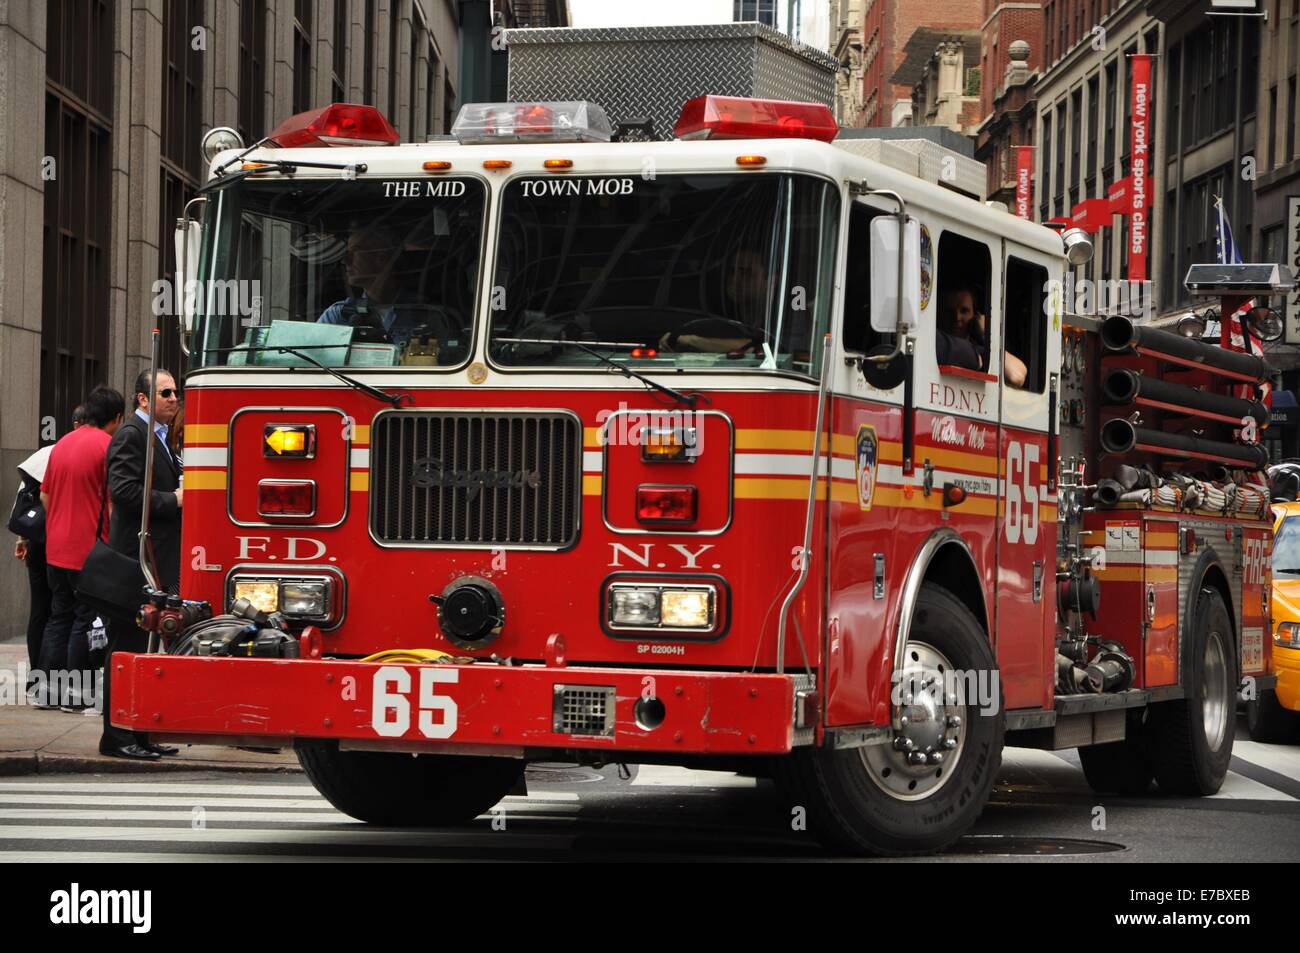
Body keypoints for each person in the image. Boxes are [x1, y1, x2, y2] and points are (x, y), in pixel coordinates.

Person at [98, 369, 183, 761]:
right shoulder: (132, 435)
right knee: (127, 649)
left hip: (156, 561)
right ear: (142, 399)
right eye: (165, 392)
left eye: (175, 392)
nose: (173, 397)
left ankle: (143, 732)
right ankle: (117, 737)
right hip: (136, 561)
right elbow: (124, 491)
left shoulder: (161, 438)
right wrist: (175, 500)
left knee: (148, 650)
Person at [37, 387, 125, 711]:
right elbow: (115, 502)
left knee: (58, 616)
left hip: (55, 547)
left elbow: (45, 496)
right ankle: (75, 695)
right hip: (88, 550)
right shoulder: (108, 446)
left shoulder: (62, 443)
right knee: (84, 620)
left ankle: (47, 692)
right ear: (116, 418)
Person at [317, 224, 456, 349]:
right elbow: (310, 359)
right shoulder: (338, 315)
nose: (345, 260)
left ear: (382, 257)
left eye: (355, 251)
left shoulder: (426, 313)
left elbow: (449, 362)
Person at [937, 286, 1028, 387]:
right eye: (950, 311)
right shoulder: (936, 344)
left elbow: (1016, 376)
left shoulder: (980, 348)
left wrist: (986, 334)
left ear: (975, 316)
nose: (957, 317)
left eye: (964, 311)